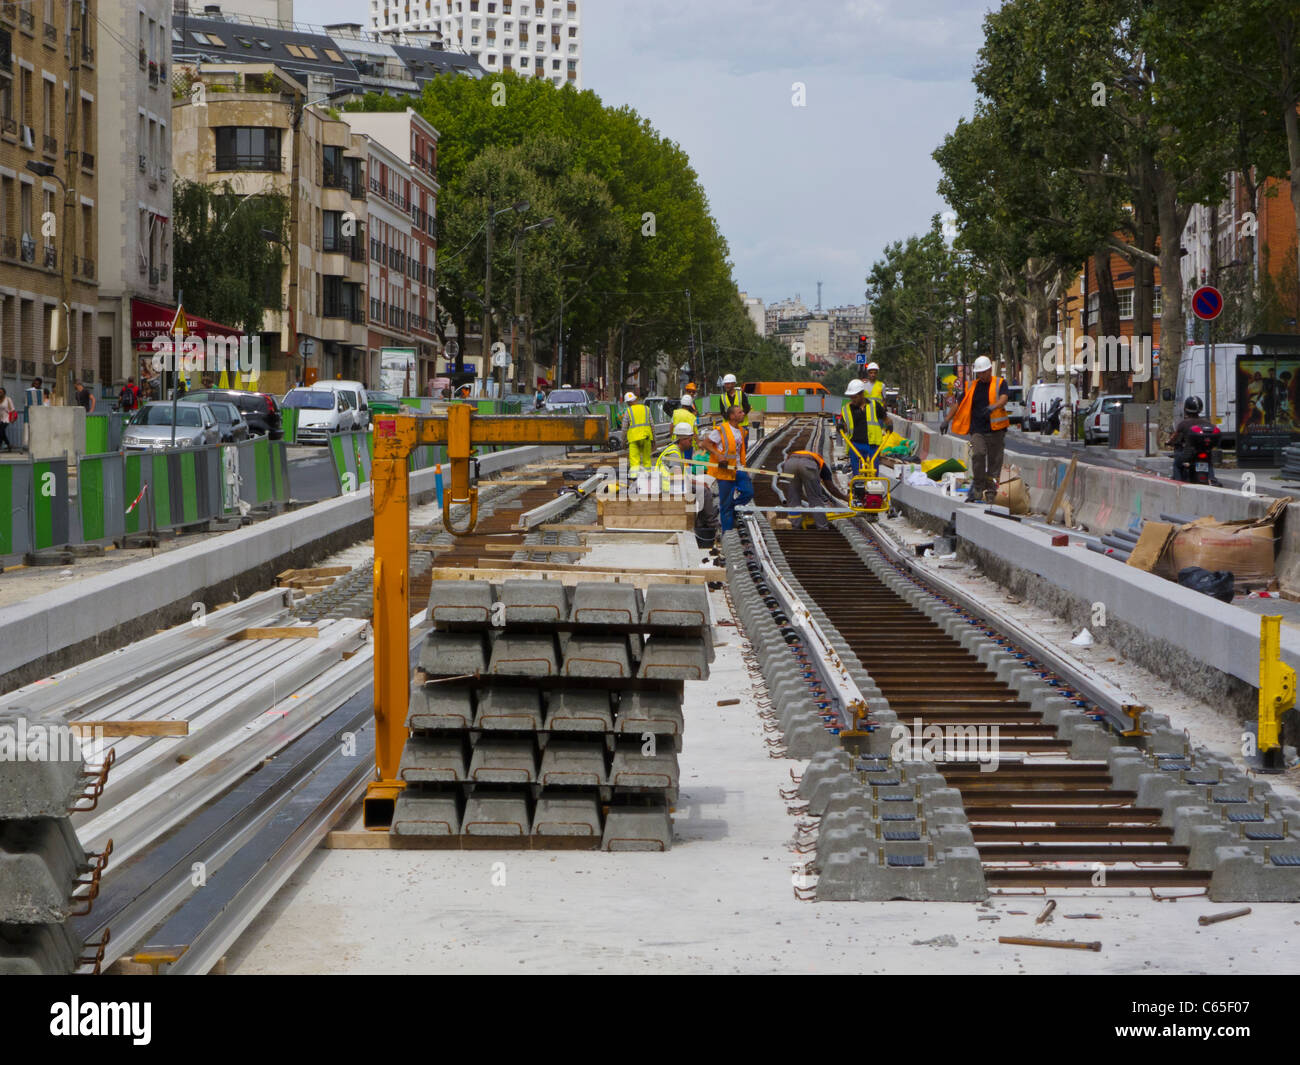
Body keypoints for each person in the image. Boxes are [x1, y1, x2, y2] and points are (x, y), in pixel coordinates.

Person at [942, 355, 1010, 503]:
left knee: (995, 462)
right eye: (979, 373)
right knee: (978, 454)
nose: (982, 375)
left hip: (996, 430)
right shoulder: (971, 386)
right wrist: (947, 420)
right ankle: (978, 486)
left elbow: (1004, 397)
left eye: (984, 372)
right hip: (977, 430)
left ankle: (991, 491)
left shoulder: (1000, 383)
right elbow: (957, 404)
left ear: (990, 370)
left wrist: (994, 406)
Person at [701, 400, 753, 532]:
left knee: (748, 492)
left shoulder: (741, 431)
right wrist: (718, 455)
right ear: (732, 416)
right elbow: (705, 444)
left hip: (738, 469)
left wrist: (744, 468)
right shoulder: (722, 429)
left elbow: (739, 452)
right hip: (724, 472)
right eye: (740, 412)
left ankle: (733, 509)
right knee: (725, 504)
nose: (743, 414)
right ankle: (727, 533)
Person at [780, 445, 851, 530]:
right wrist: (845, 498)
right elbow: (831, 488)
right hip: (808, 465)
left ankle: (795, 525)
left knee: (793, 497)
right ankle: (822, 527)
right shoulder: (822, 465)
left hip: (790, 464)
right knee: (815, 498)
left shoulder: (809, 456)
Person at [1167, 396, 1221, 485]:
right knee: (1208, 462)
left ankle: (1177, 482)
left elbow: (1174, 437)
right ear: (1200, 409)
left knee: (1177, 464)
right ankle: (1212, 479)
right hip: (1204, 453)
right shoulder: (1206, 423)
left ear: (1186, 409)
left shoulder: (1183, 424)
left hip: (1188, 455)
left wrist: (1169, 442)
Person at [620, 390, 654, 490]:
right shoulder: (646, 409)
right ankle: (648, 482)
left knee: (634, 462)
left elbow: (624, 428)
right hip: (646, 438)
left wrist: (623, 441)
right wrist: (654, 440)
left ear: (627, 402)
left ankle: (635, 483)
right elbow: (652, 425)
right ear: (635, 399)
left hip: (633, 439)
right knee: (647, 460)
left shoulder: (628, 411)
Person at [671, 392, 697, 464]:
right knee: (687, 462)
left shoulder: (675, 413)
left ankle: (678, 474)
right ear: (690, 405)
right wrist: (698, 443)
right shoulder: (692, 416)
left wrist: (671, 437)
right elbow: (694, 432)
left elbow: (671, 426)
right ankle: (687, 474)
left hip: (677, 441)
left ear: (682, 403)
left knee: (677, 462)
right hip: (688, 442)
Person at [0, 388, 15, 452]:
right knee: (2, 433)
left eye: (1, 392)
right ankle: (8, 444)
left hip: (6, 418)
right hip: (0, 418)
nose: (0, 393)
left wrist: (12, 418)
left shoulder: (8, 399)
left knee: (0, 431)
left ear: (4, 393)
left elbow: (13, 410)